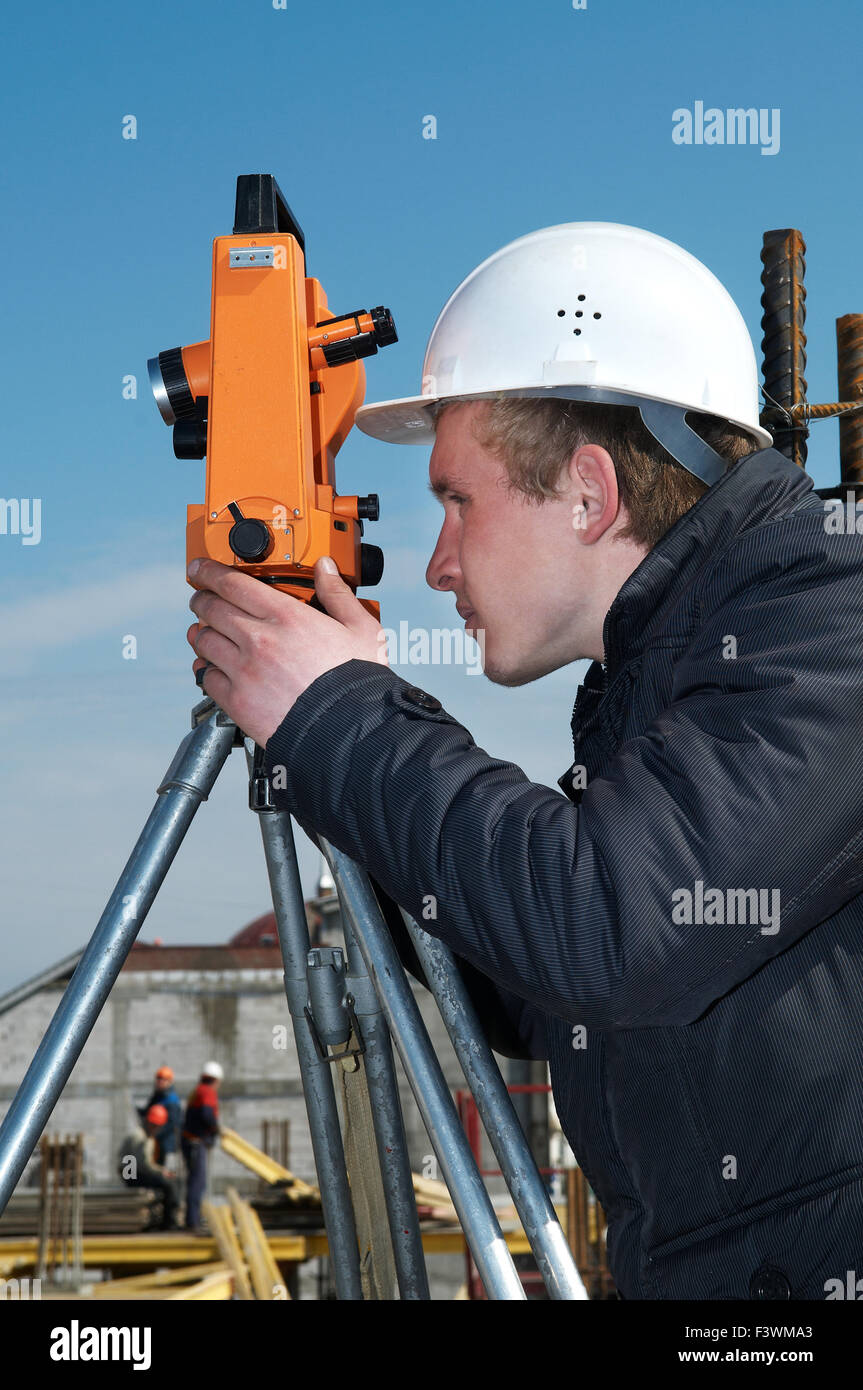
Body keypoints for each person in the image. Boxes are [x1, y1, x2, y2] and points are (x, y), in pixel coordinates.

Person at [183, 222, 863, 1300]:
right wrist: (332, 756)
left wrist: (339, 715)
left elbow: (610, 929)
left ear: (589, 492)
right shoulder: (655, 678)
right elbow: (545, 988)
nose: (439, 560)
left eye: (457, 499)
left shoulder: (831, 625)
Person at [118, 1103, 179, 1230]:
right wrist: (162, 1172)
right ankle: (169, 1223)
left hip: (133, 1172)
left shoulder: (143, 1135)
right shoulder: (140, 1137)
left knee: (165, 1184)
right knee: (168, 1186)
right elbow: (144, 1165)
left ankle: (165, 1220)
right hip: (132, 1175)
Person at [181, 1061, 222, 1232]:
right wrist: (215, 1128)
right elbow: (206, 1114)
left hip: (189, 1141)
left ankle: (192, 1219)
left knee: (194, 1181)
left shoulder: (197, 1090)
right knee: (198, 1182)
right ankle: (193, 1221)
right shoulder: (207, 1092)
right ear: (216, 1080)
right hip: (196, 1143)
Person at [139, 1065, 182, 1174]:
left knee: (166, 1173)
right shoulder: (157, 1096)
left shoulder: (172, 1100)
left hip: (167, 1144)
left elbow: (173, 1123)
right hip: (155, 1142)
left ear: (169, 1082)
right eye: (158, 1079)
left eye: (163, 1080)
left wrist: (156, 1133)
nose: (160, 1082)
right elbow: (148, 1111)